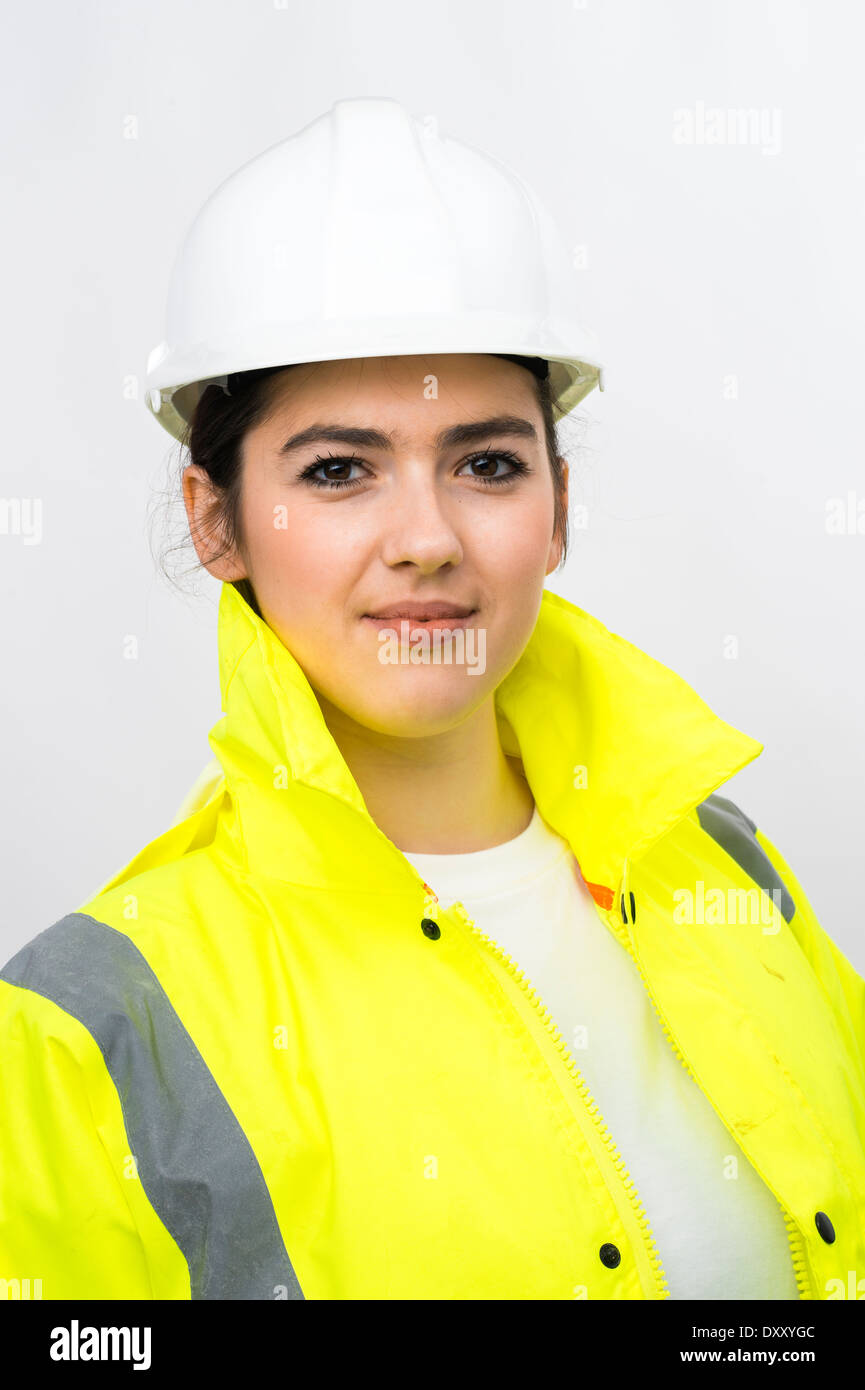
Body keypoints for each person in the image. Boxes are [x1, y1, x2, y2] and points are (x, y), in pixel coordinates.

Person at [1, 100, 863, 1303]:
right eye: (339, 471)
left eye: (486, 464)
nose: (426, 538)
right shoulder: (92, 1019)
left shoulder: (717, 861)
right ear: (216, 521)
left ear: (556, 512)